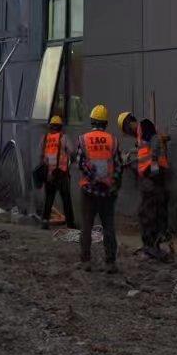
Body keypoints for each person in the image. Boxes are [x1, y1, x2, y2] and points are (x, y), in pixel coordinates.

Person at [76, 104, 122, 272]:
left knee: (86, 226)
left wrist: (93, 178)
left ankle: (85, 261)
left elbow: (80, 163)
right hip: (107, 192)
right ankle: (110, 263)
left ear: (92, 121)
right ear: (106, 123)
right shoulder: (113, 140)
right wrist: (112, 184)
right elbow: (118, 166)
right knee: (108, 226)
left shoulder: (83, 139)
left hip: (89, 190)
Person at [136, 116, 172, 259]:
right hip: (151, 178)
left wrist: (153, 172)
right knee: (150, 212)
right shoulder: (148, 141)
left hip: (152, 178)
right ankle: (152, 244)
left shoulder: (154, 139)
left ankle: (151, 245)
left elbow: (154, 157)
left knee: (149, 213)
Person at [39, 112, 76, 228]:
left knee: (48, 199)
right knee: (66, 199)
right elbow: (72, 152)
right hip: (61, 173)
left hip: (49, 174)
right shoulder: (63, 138)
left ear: (50, 126)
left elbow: (41, 154)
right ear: (60, 127)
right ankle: (70, 224)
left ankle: (44, 223)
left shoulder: (45, 138)